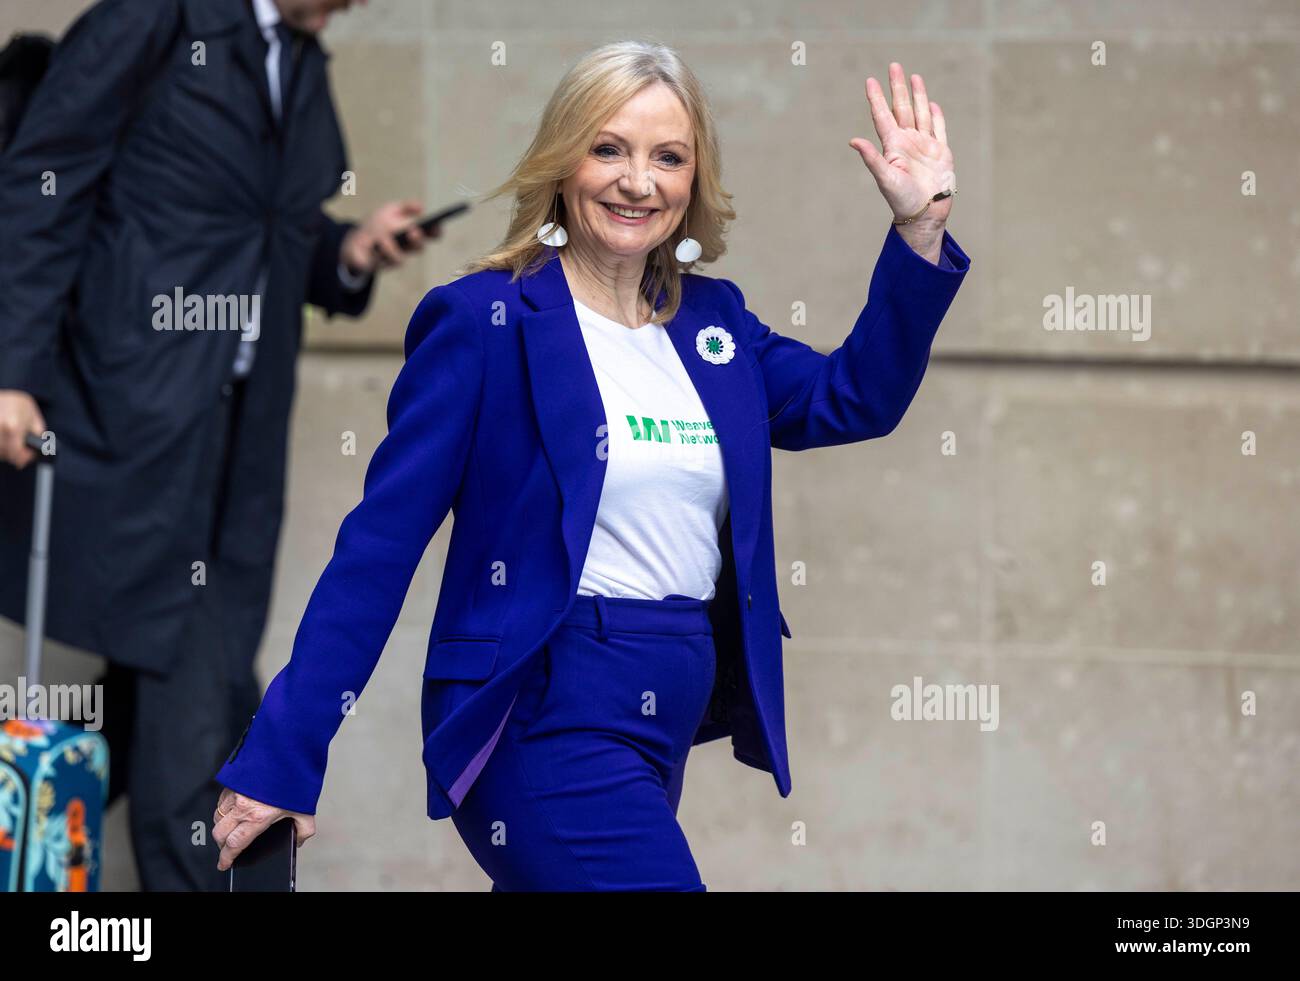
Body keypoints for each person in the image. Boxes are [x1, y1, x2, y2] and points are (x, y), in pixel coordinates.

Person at [211, 40, 971, 891]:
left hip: (666, 706)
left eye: (668, 158)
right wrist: (284, 750)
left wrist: (919, 228)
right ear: (563, 161)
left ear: (693, 182)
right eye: (609, 148)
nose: (638, 181)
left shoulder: (712, 325)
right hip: (540, 708)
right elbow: (378, 550)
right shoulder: (484, 321)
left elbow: (853, 398)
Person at [0, 0, 427, 891]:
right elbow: (43, 173)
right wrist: (12, 369)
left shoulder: (298, 57)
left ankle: (45, 827)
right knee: (205, 690)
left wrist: (350, 251)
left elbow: (267, 229)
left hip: (239, 430)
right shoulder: (159, 17)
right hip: (125, 414)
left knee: (197, 664)